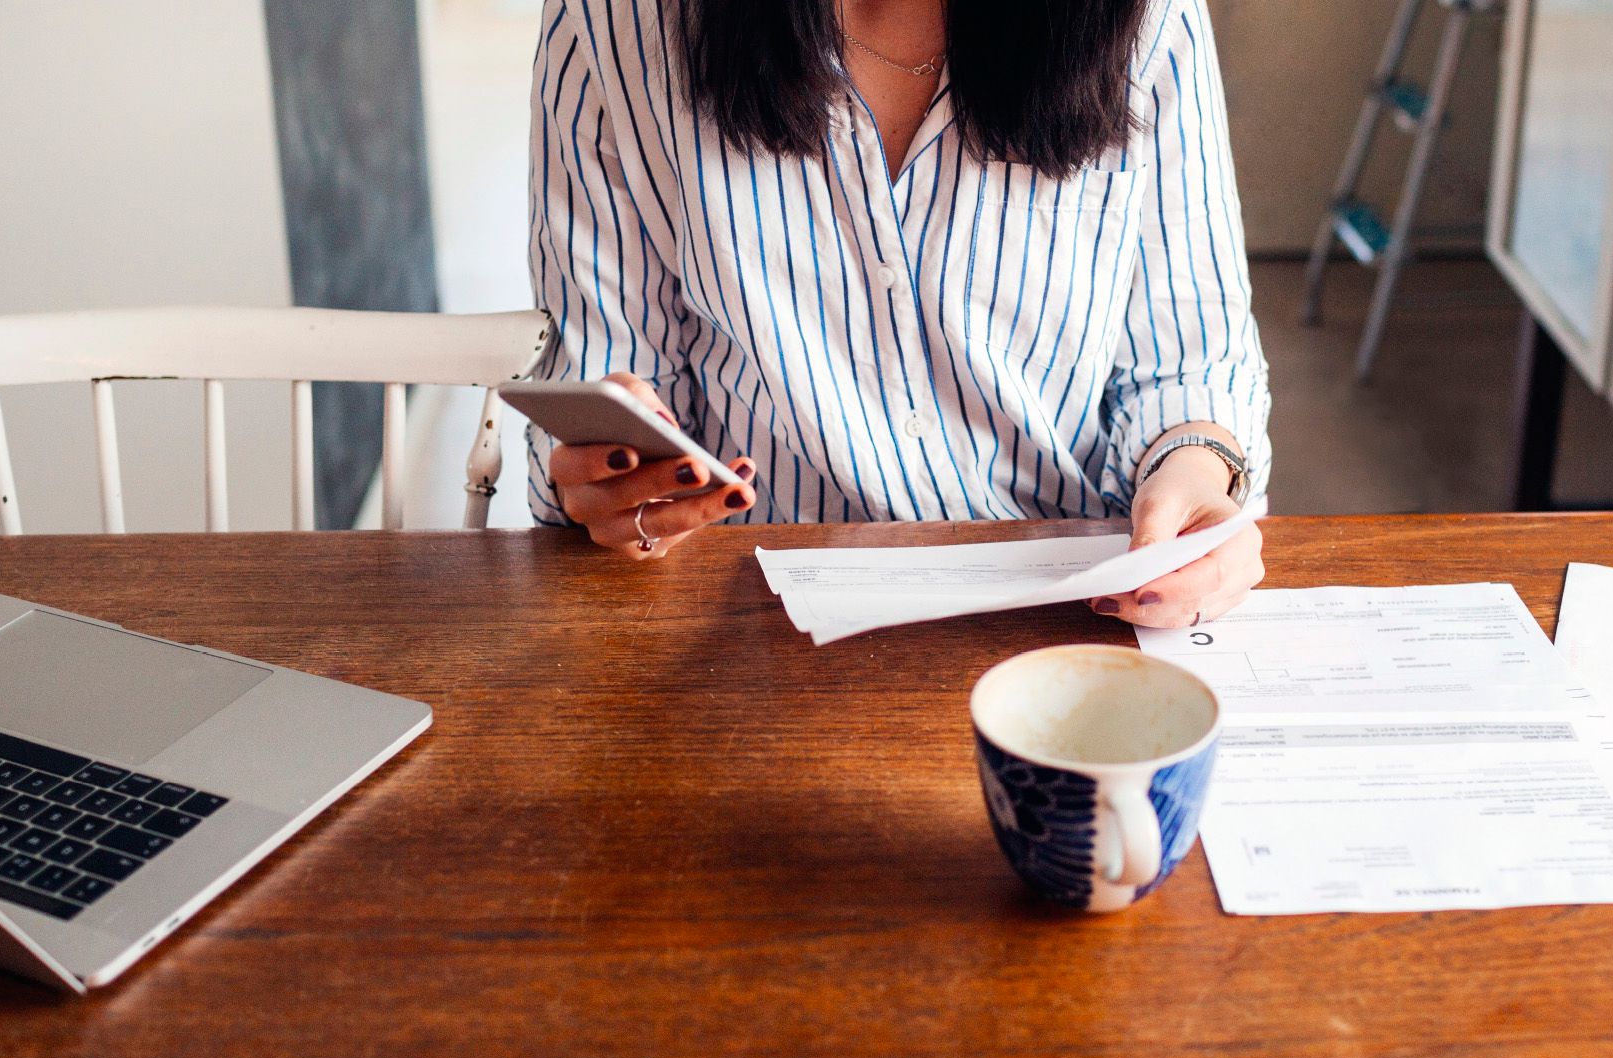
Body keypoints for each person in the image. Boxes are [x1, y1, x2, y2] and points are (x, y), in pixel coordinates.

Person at [524, 0, 1269, 628]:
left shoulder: (1149, 15)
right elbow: (610, 388)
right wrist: (618, 487)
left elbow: (1191, 362)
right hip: (753, 617)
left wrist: (1199, 473)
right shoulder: (611, 24)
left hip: (1081, 607)